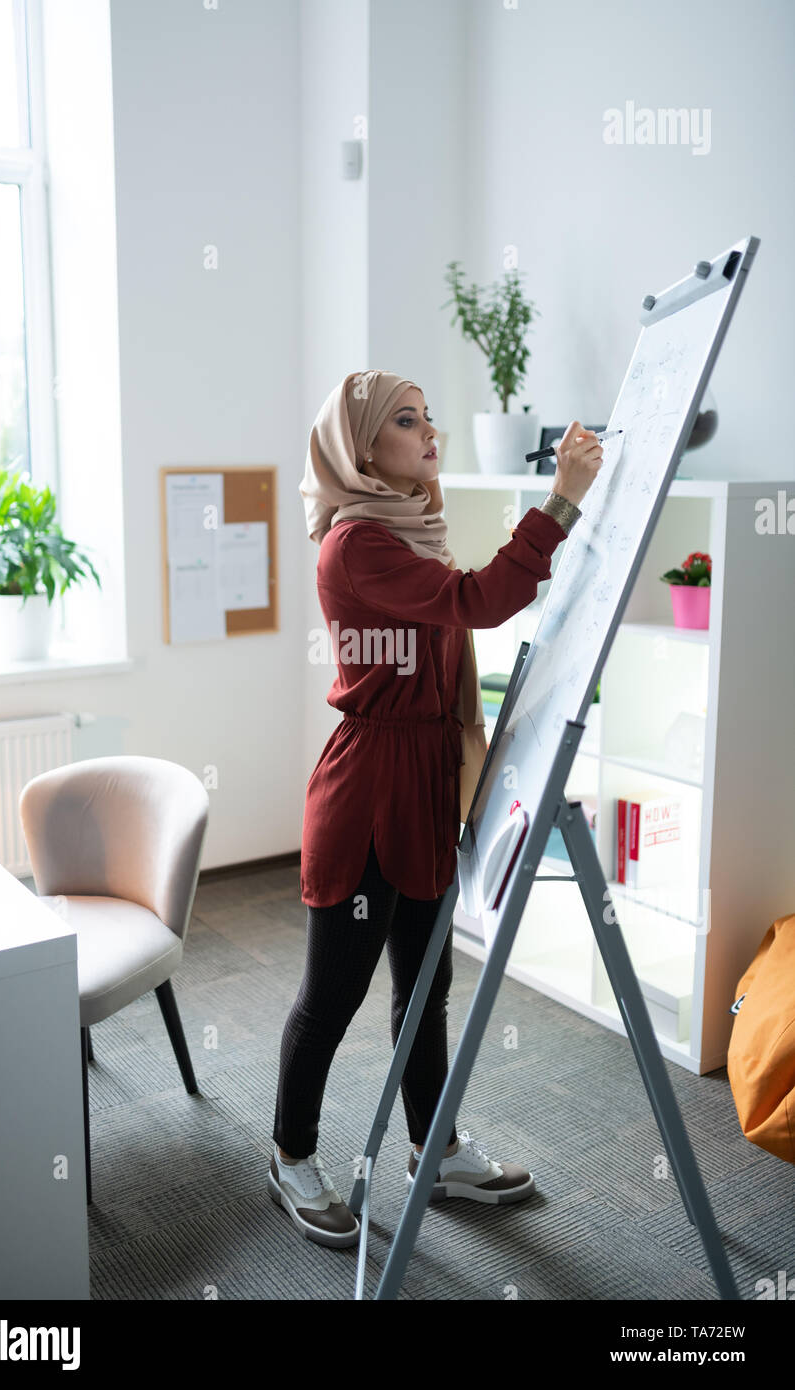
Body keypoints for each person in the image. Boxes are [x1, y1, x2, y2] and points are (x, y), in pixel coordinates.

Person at [268, 369, 603, 1247]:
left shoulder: (412, 531)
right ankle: (290, 1156)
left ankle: (434, 1149)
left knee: (427, 987)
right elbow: (475, 604)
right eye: (406, 422)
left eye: (429, 417)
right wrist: (560, 502)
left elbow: (461, 620)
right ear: (361, 447)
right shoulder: (356, 546)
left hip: (421, 782)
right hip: (371, 790)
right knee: (331, 995)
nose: (429, 434)